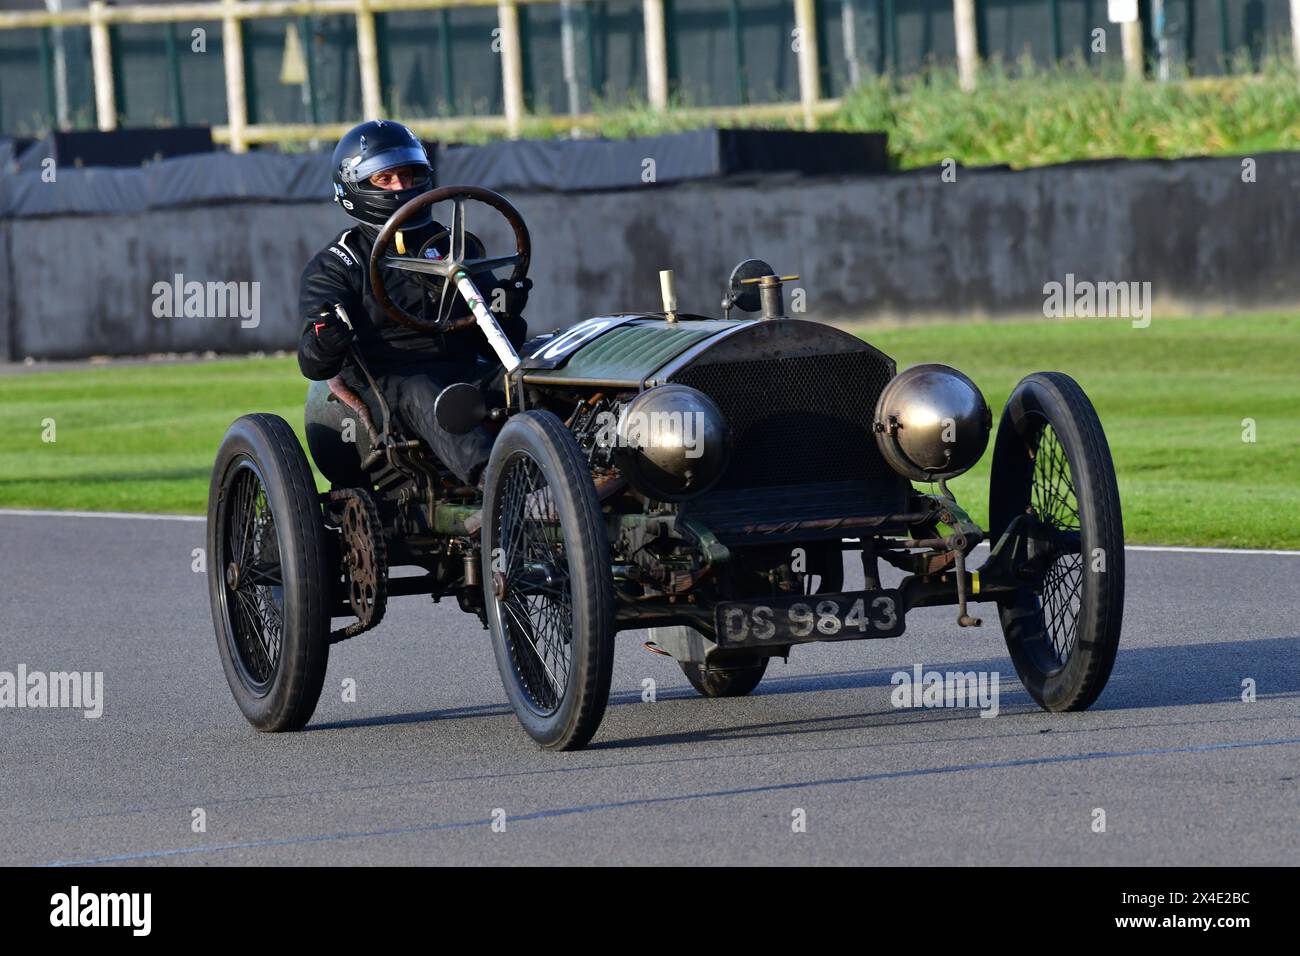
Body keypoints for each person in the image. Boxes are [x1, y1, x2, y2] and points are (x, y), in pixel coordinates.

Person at [298, 119, 530, 486]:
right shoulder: (335, 264)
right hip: (386, 387)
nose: (401, 188)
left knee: (534, 373)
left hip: (465, 370)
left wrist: (505, 307)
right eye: (385, 179)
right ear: (354, 188)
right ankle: (502, 484)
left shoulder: (456, 247)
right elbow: (313, 361)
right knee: (422, 389)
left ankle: (587, 470)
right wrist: (327, 338)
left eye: (409, 176)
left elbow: (497, 342)